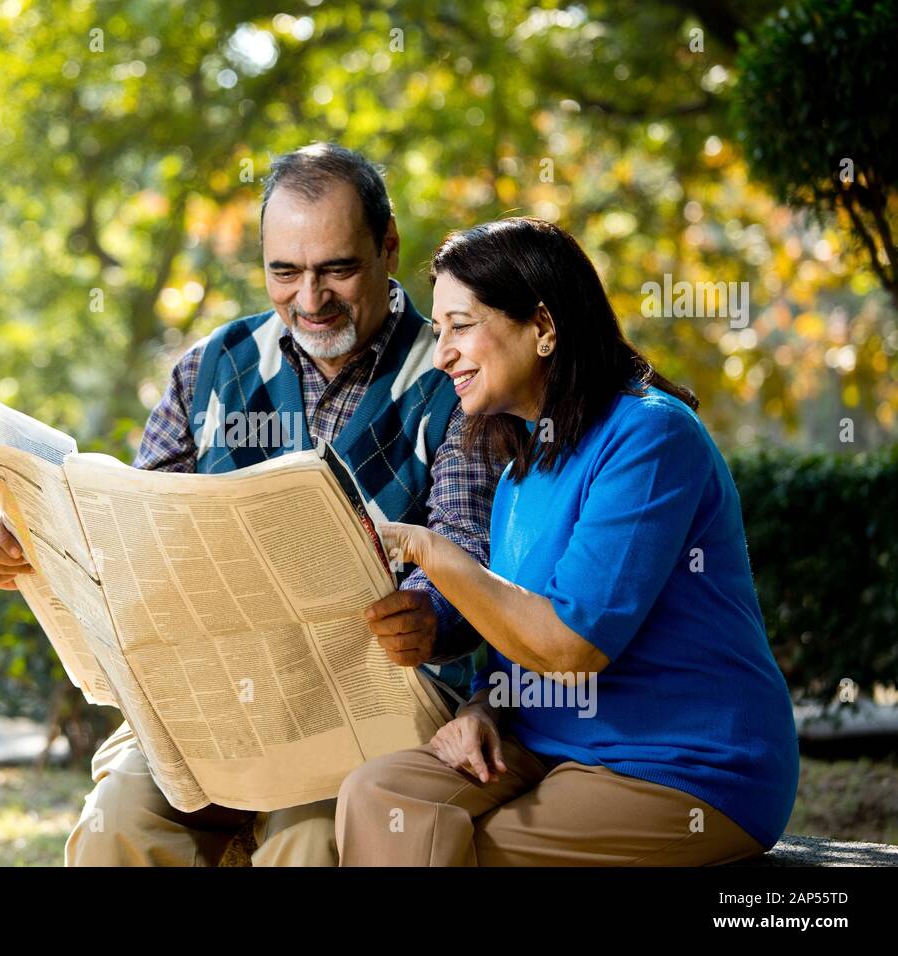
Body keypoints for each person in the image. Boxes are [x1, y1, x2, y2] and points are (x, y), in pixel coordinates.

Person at [0, 144, 500, 866]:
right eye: (285, 271)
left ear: (389, 247)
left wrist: (431, 615)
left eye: (336, 269)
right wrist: (27, 545)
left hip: (359, 710)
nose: (309, 299)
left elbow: (467, 541)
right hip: (213, 709)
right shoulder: (212, 366)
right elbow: (130, 526)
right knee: (116, 823)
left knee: (309, 842)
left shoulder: (454, 374)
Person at [337, 217, 799, 866]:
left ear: (544, 328)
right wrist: (483, 710)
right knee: (377, 797)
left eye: (461, 326)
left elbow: (571, 648)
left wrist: (429, 550)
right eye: (438, 330)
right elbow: (514, 649)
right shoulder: (520, 474)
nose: (442, 354)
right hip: (549, 745)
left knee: (469, 848)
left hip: (684, 766)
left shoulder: (651, 438)